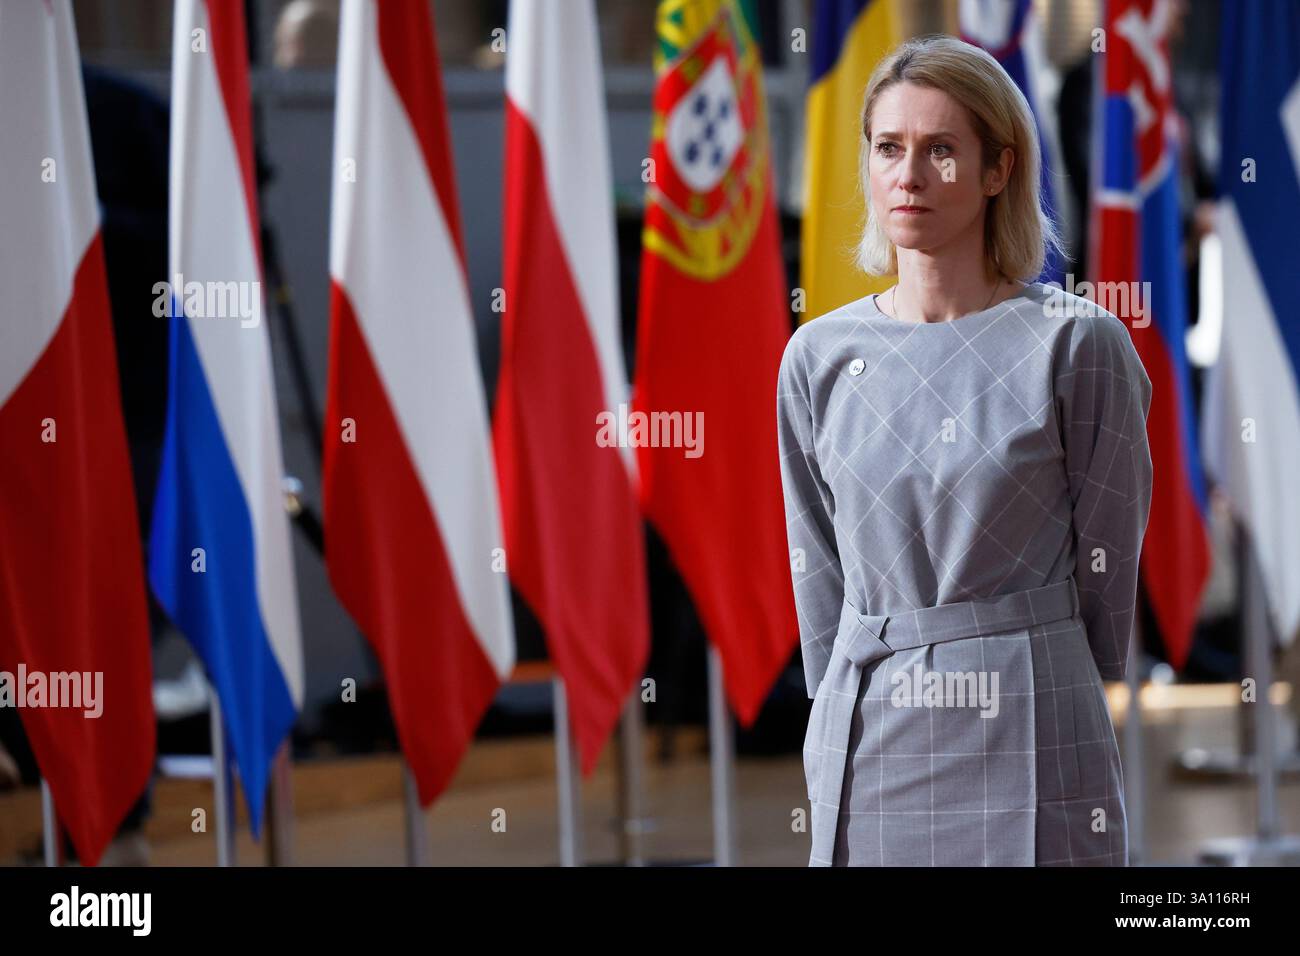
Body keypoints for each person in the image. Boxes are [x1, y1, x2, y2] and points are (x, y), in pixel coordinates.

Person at [778, 35, 1153, 866]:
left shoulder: (1076, 342)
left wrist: (1047, 670)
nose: (908, 174)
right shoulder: (817, 354)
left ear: (998, 170)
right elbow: (818, 569)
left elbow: (1109, 565)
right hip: (870, 724)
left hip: (1032, 711)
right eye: (889, 147)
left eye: (941, 149)